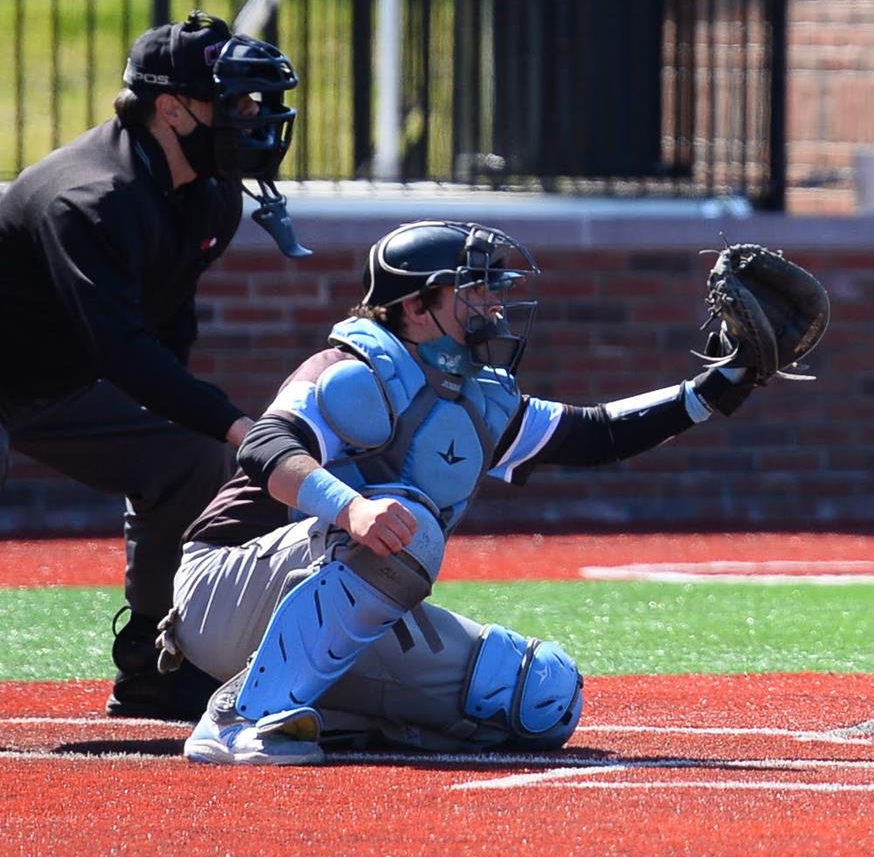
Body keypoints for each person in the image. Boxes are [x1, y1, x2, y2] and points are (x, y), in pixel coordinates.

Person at [169, 223, 828, 765]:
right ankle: (238, 720)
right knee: (412, 525)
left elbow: (595, 435)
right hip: (222, 587)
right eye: (473, 289)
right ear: (415, 305)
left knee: (540, 695)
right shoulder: (351, 370)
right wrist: (353, 505)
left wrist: (720, 386)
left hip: (332, 595)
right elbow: (263, 446)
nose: (494, 304)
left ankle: (327, 714)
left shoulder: (474, 396)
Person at [0, 10, 305, 720]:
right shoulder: (90, 199)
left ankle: (154, 656)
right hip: (33, 371)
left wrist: (211, 432)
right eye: (235, 101)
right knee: (218, 437)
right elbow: (123, 350)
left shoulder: (210, 193)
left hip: (53, 382)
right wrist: (239, 425)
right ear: (171, 109)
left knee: (193, 458)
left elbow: (169, 326)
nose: (253, 118)